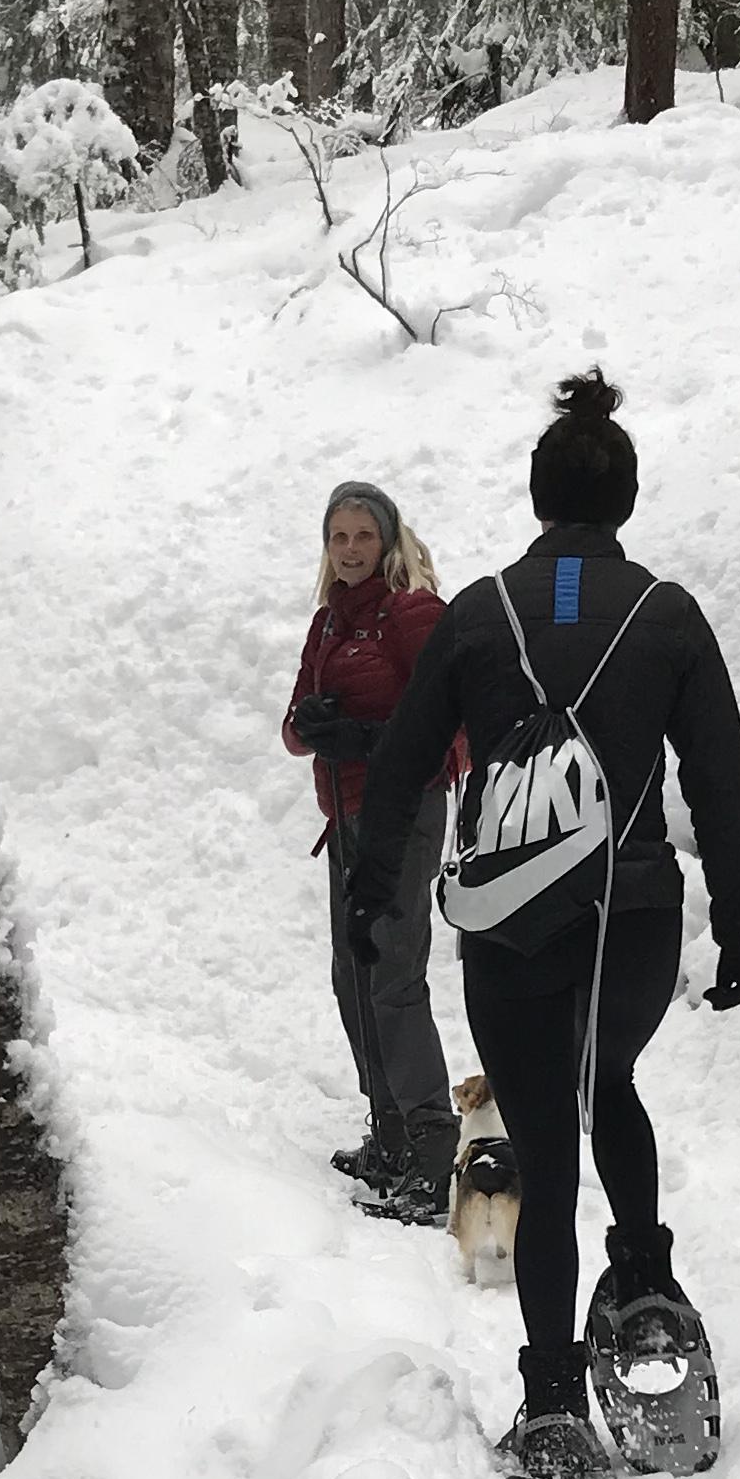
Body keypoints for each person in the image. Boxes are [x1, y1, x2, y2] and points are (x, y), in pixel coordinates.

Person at [348, 371, 740, 1479]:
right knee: (608, 1082)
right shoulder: (667, 614)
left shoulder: (480, 612)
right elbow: (721, 778)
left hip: (512, 925)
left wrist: (372, 894)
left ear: (538, 498)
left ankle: (550, 1407)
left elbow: (401, 763)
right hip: (634, 917)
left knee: (539, 1138)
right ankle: (645, 1285)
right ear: (624, 499)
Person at [281, 480, 461, 1221]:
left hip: (405, 816)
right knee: (351, 976)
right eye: (338, 536)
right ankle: (390, 1134)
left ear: (387, 539)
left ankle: (432, 1150)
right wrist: (313, 724)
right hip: (348, 819)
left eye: (363, 534)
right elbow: (291, 731)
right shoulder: (328, 622)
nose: (351, 548)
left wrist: (369, 740)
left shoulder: (414, 614)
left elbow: (452, 725)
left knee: (393, 976)